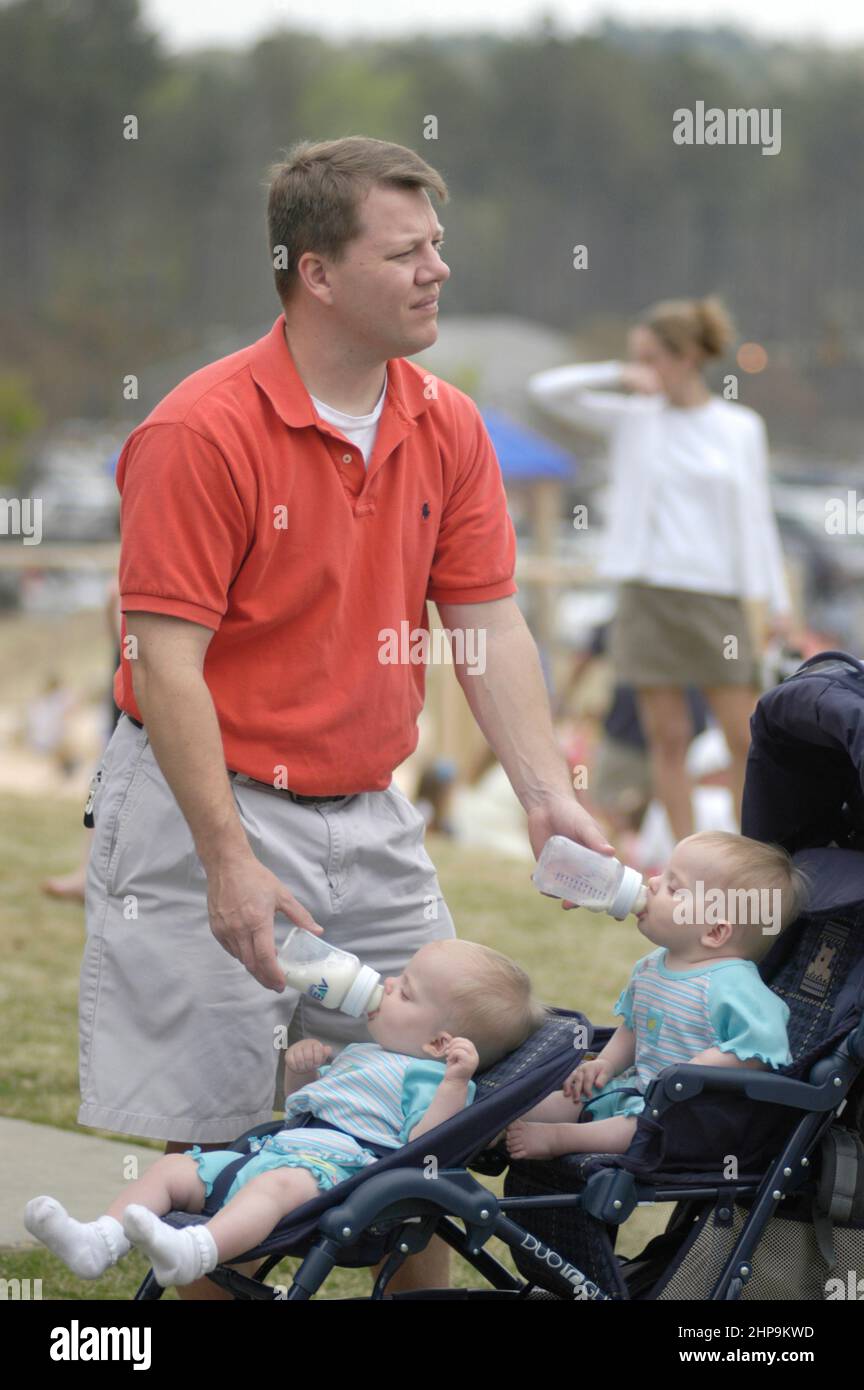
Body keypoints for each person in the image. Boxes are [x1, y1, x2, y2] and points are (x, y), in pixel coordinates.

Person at [78, 135, 612, 1300]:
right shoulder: (198, 429)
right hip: (195, 806)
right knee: (218, 1163)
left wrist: (544, 791)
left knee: (418, 1145)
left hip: (367, 813)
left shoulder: (450, 424)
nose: (438, 271)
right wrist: (228, 858)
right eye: (406, 250)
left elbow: (489, 623)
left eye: (438, 247)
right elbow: (162, 664)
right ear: (316, 271)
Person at [29, 939, 546, 1289]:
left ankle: (199, 1250)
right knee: (171, 1169)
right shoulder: (366, 1054)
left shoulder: (435, 1081)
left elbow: (426, 1149)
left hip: (332, 1179)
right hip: (276, 1151)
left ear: (439, 1041)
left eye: (404, 991)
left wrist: (455, 1083)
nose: (386, 983)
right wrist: (301, 1076)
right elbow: (307, 1109)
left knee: (272, 1190)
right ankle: (101, 1240)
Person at [528, 297, 796, 839]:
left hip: (714, 597)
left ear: (689, 355)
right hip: (646, 593)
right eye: (637, 358)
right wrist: (618, 374)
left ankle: (747, 855)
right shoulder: (633, 418)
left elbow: (756, 521)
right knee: (667, 740)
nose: (643, 369)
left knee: (743, 738)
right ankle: (690, 861)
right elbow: (546, 391)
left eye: (653, 358)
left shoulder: (739, 427)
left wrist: (780, 606)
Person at [505, 830, 809, 1160]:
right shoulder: (652, 965)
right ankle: (502, 1119)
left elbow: (765, 1046)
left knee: (637, 1127)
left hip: (687, 1115)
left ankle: (562, 1138)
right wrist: (606, 1062)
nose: (652, 883)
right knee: (574, 1093)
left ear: (714, 931)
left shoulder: (733, 984)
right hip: (639, 1087)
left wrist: (704, 1067)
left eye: (673, 887)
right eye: (662, 874)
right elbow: (634, 1027)